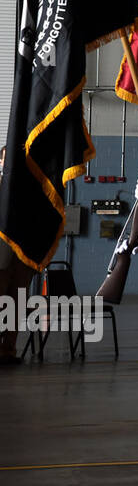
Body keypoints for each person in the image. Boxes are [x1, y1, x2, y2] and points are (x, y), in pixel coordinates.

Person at [0, 147, 27, 366]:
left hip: (21, 256)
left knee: (16, 304)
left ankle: (8, 349)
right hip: (0, 254)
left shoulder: (28, 188)